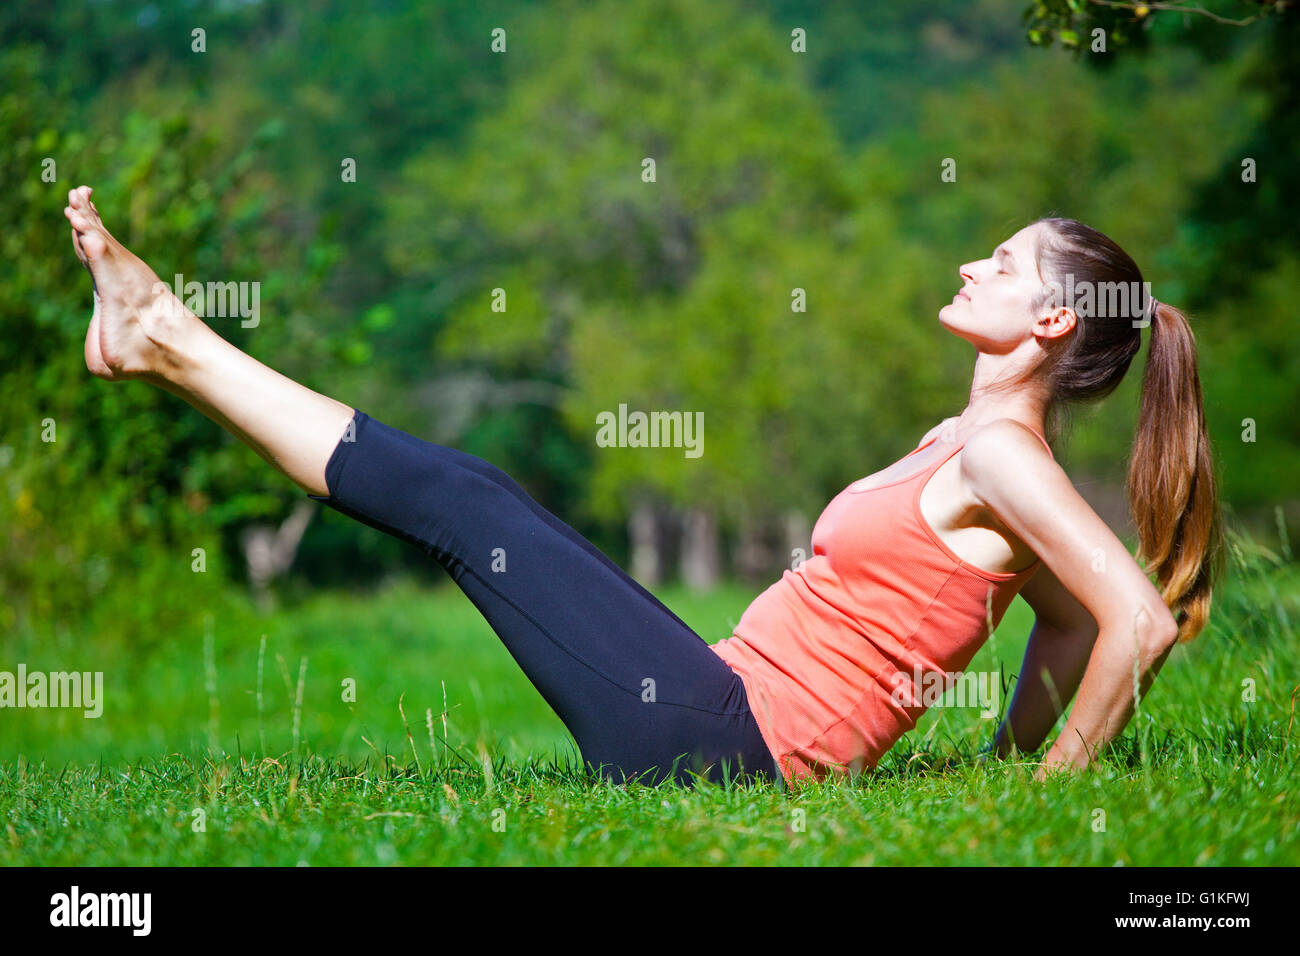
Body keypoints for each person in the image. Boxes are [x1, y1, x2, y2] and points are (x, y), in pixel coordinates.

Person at [63, 186, 1222, 788]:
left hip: (725, 742)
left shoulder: (1004, 457)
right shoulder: (969, 441)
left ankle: (166, 336)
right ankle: (161, 338)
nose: (975, 260)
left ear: (1053, 321)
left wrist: (1051, 790)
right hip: (717, 696)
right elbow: (1069, 623)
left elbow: (1130, 616)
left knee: (468, 505)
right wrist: (1006, 768)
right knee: (482, 494)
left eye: (1006, 263)